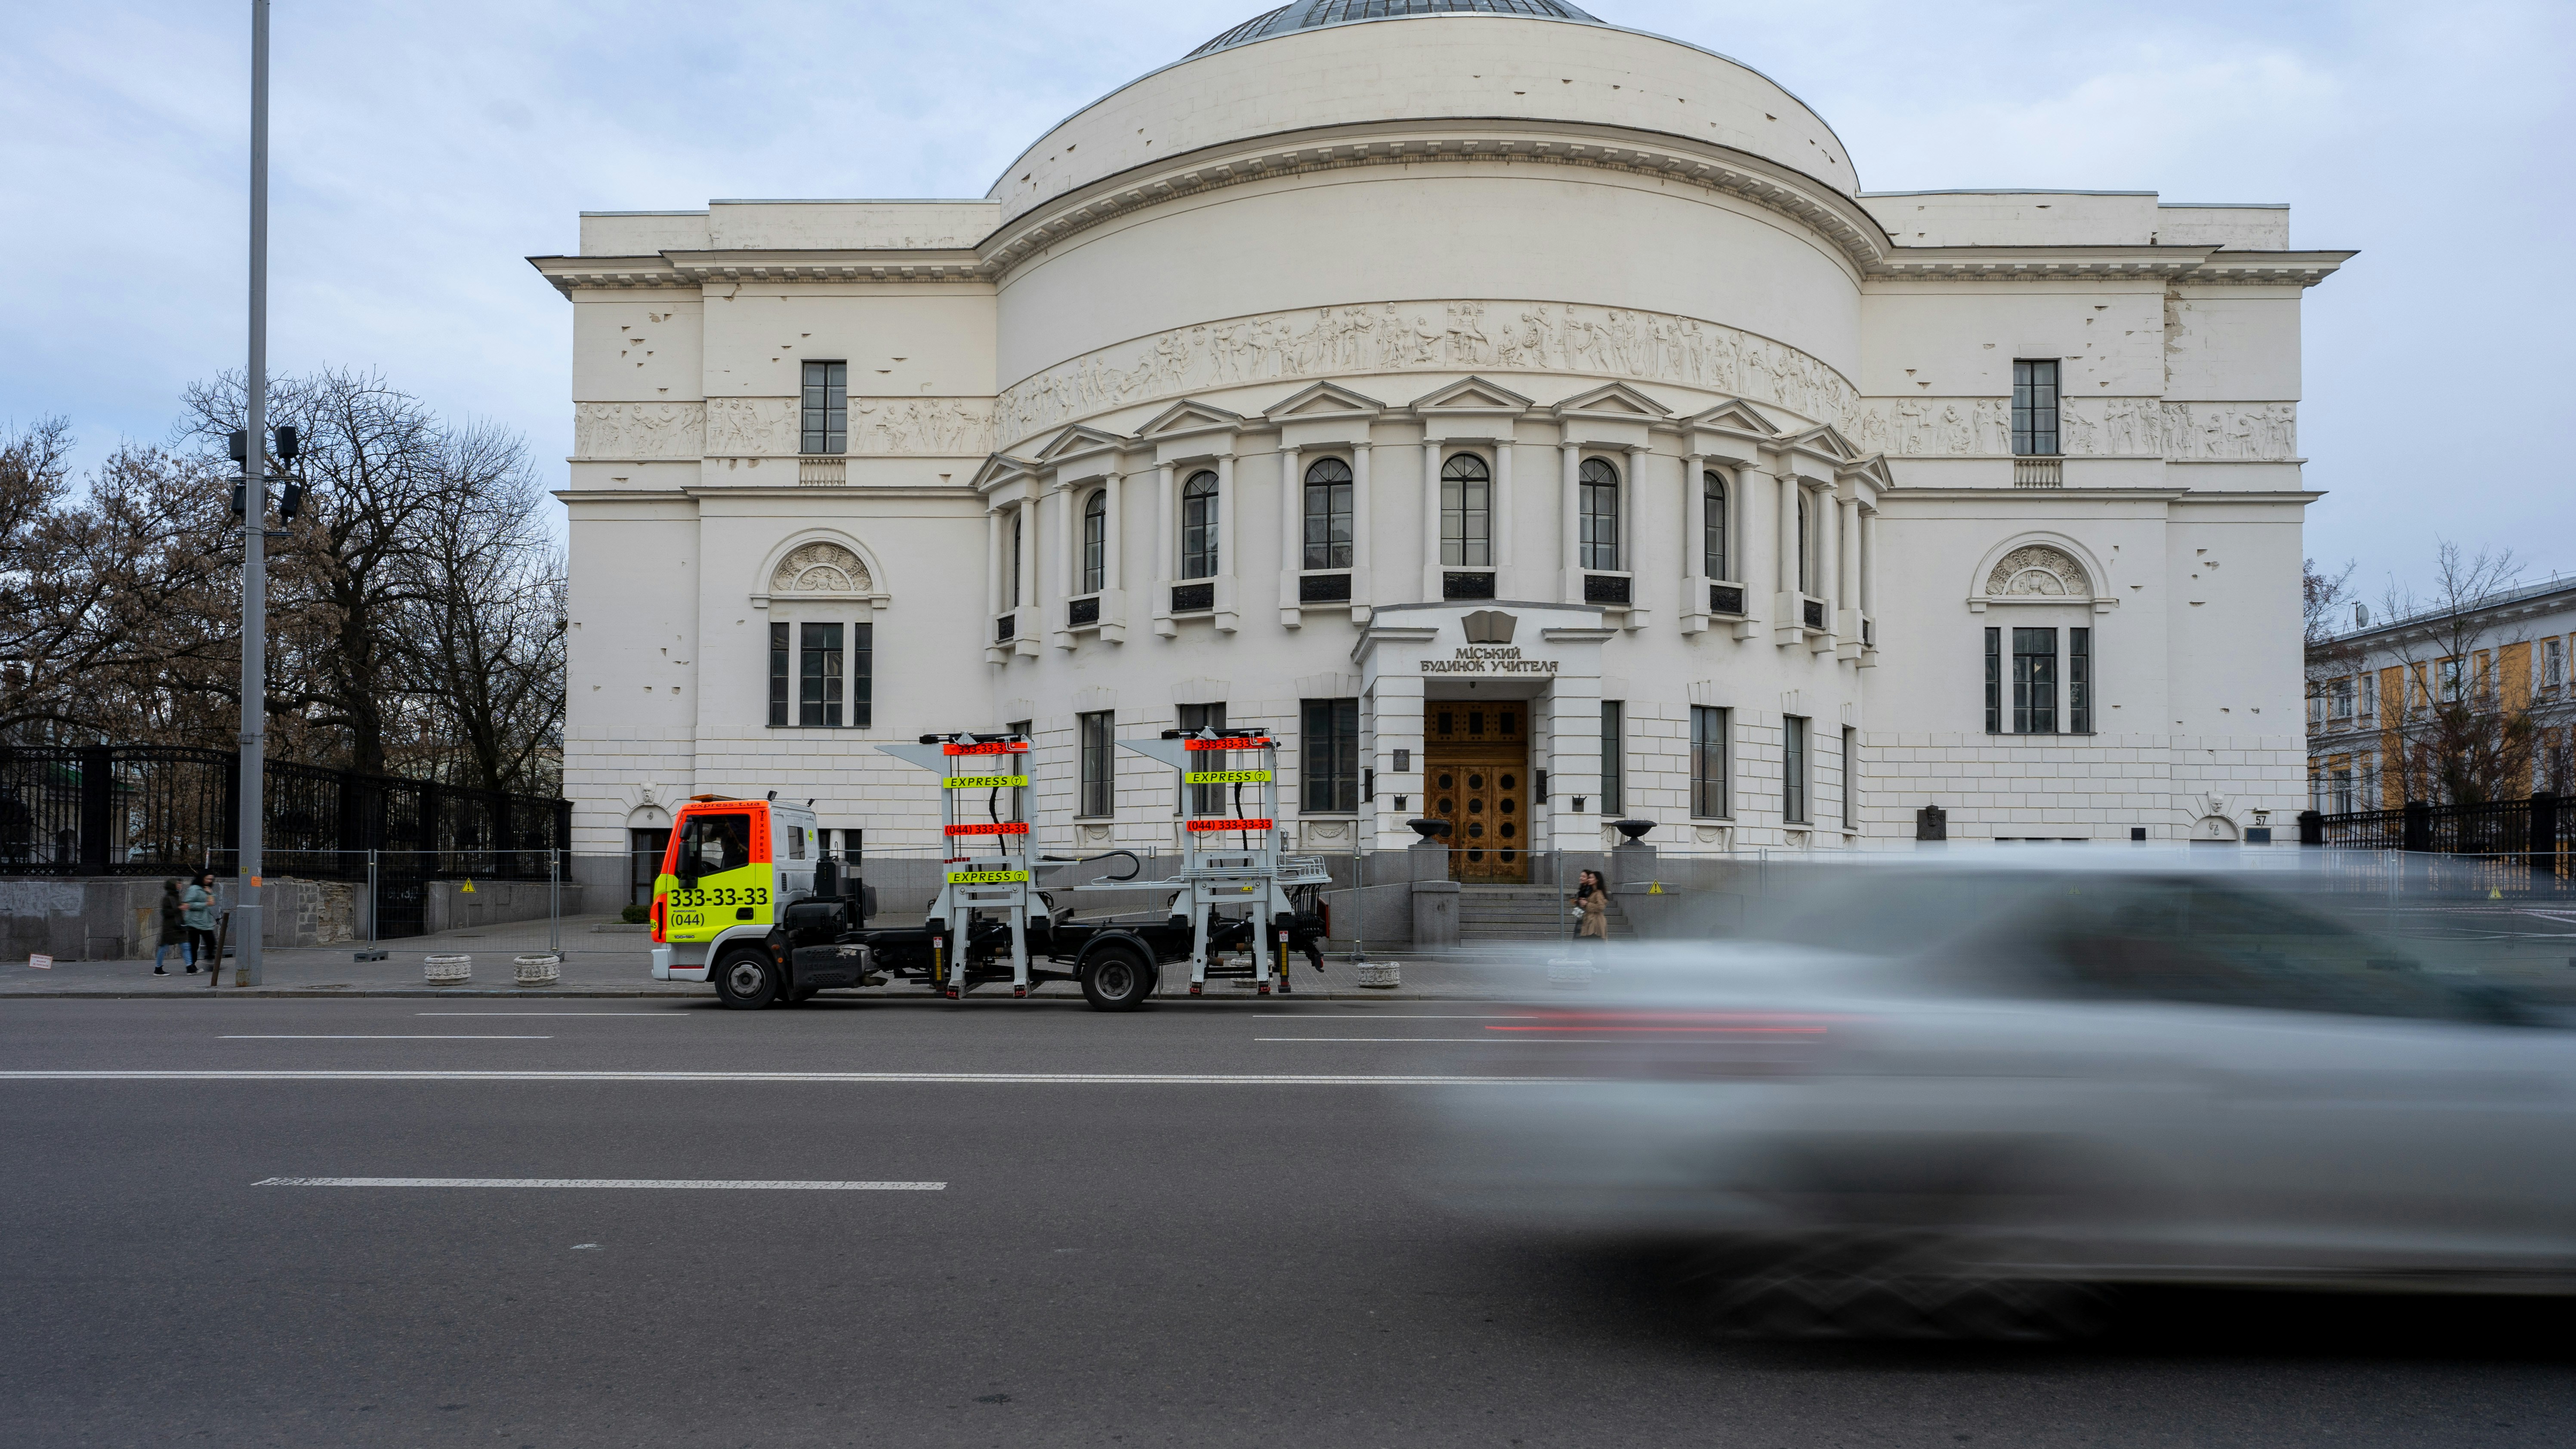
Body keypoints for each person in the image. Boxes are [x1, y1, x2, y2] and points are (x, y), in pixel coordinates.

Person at [181, 872, 219, 975]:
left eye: (211, 879)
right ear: (202, 878)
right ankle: (191, 965)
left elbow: (212, 903)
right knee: (194, 944)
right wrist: (204, 904)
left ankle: (210, 961)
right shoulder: (194, 889)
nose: (210, 881)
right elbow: (188, 904)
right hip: (194, 921)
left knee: (211, 942)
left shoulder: (205, 889)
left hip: (205, 921)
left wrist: (210, 893)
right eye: (208, 879)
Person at [152, 879, 187, 975]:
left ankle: (191, 967)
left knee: (186, 945)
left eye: (181, 883)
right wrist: (179, 908)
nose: (180, 885)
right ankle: (158, 969)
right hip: (169, 927)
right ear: (172, 885)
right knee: (163, 948)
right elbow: (165, 913)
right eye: (178, 884)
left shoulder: (176, 897)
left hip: (178, 926)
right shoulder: (167, 898)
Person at [1569, 869, 1609, 950]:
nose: (1589, 880)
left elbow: (1601, 907)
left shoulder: (1598, 893)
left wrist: (1587, 904)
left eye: (1591, 878)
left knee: (1595, 950)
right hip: (1590, 923)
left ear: (1597, 880)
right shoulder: (1594, 892)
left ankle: (1574, 959)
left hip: (1595, 924)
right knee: (1596, 951)